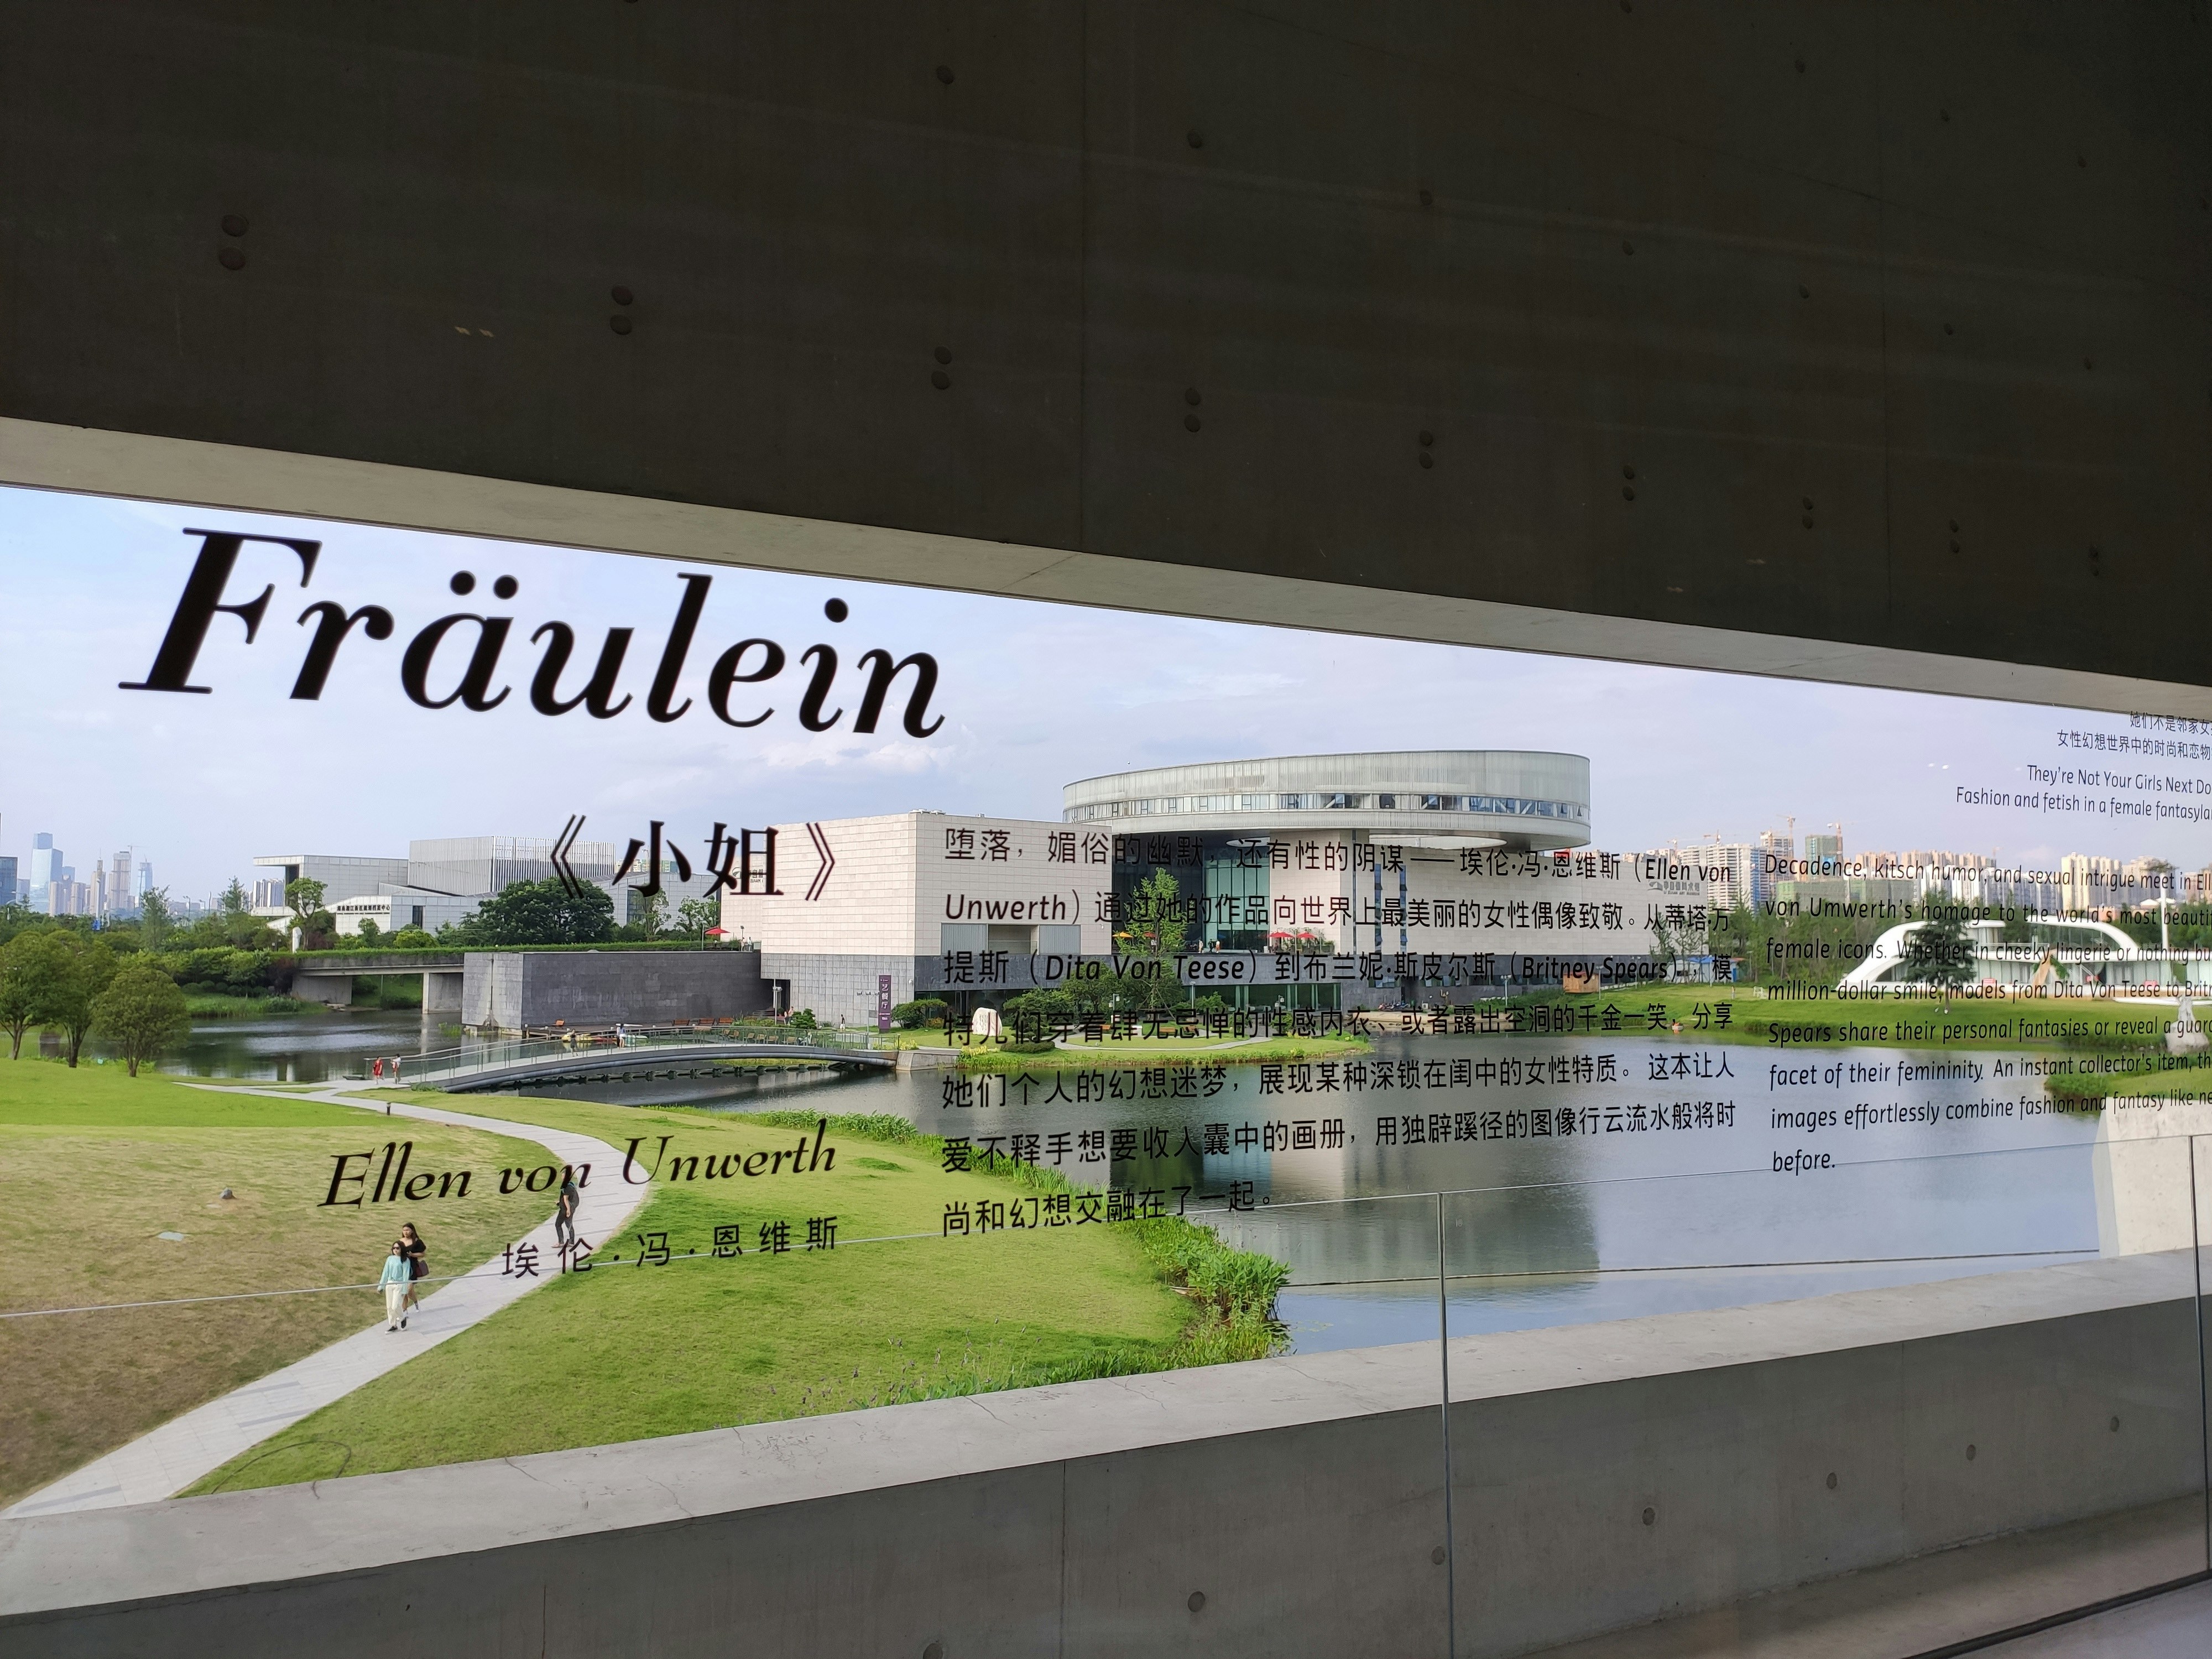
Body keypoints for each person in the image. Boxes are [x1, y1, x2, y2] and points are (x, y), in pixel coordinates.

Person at [378, 1240, 410, 1331]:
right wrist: (381, 1286)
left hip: (399, 1285)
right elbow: (385, 1272)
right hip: (390, 1284)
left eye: (397, 1248)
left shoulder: (405, 1260)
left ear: (401, 1249)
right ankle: (393, 1325)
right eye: (394, 1248)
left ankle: (402, 1318)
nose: (395, 1250)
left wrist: (404, 1289)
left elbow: (405, 1275)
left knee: (395, 1306)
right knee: (389, 1307)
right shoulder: (390, 1259)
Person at [397, 1222, 427, 1314]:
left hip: (412, 1268)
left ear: (412, 1231)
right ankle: (405, 1310)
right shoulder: (400, 1242)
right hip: (402, 1268)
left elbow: (423, 1254)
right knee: (403, 1291)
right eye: (404, 1230)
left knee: (408, 1290)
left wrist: (412, 1255)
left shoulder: (417, 1242)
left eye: (408, 1230)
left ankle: (415, 1302)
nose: (406, 1232)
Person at [554, 1170, 585, 1255]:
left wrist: (568, 1210)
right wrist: (560, 1202)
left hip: (565, 1209)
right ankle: (571, 1242)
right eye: (562, 1176)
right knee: (569, 1224)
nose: (562, 1178)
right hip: (570, 1207)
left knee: (558, 1224)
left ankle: (561, 1242)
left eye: (564, 1176)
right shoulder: (571, 1185)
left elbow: (566, 1199)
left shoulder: (567, 1187)